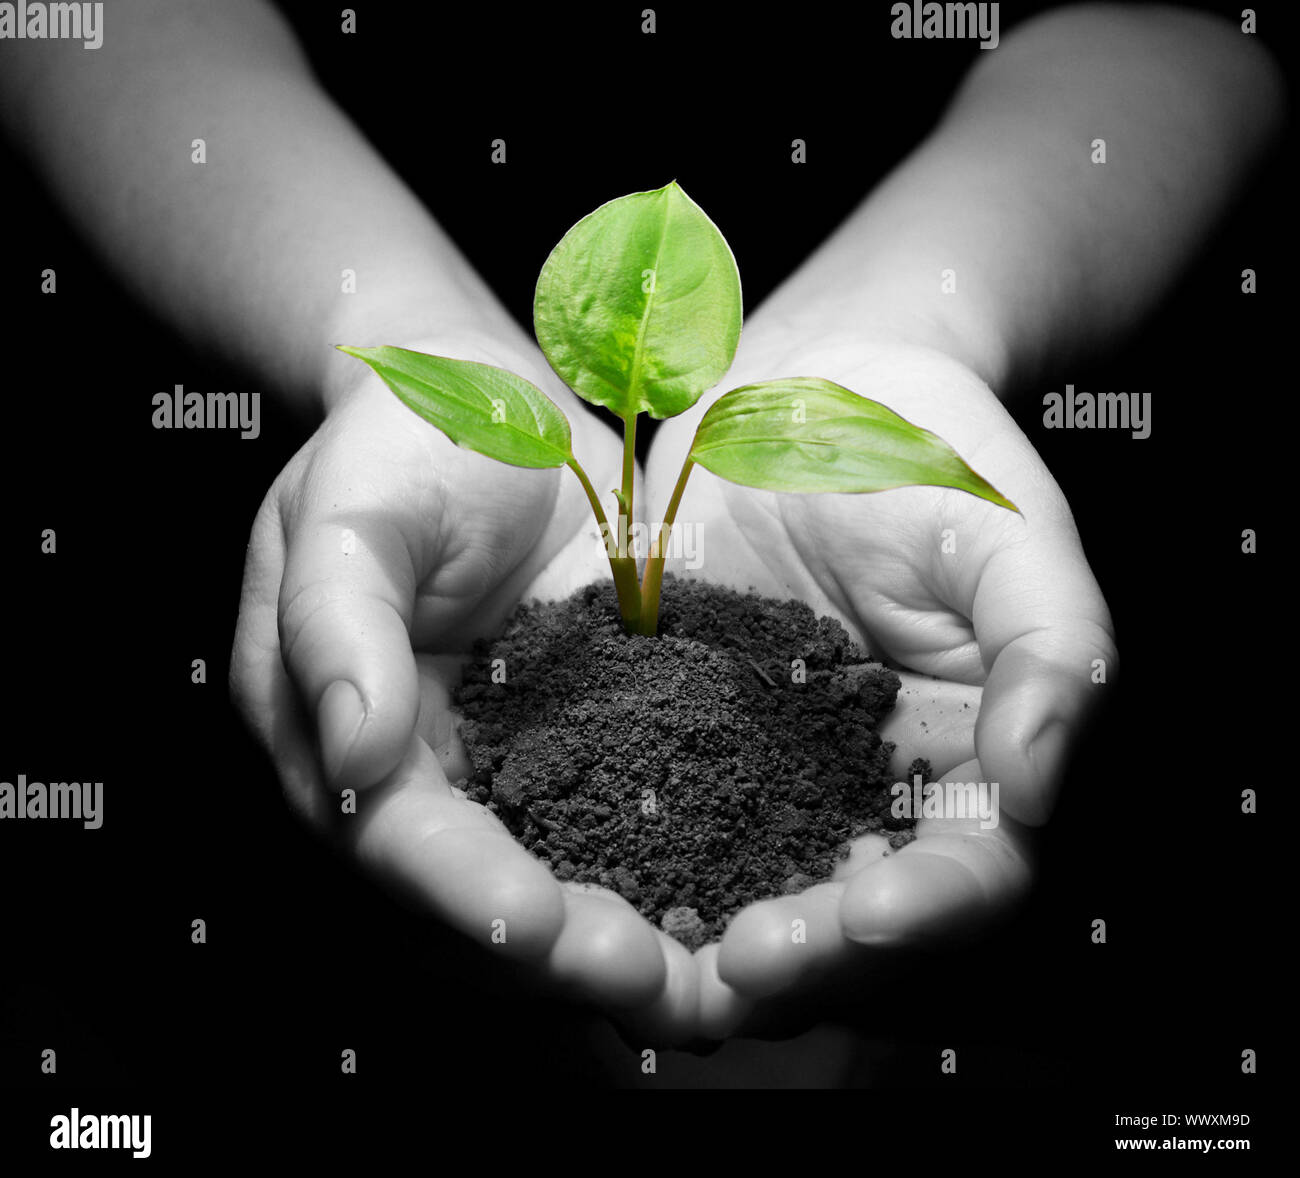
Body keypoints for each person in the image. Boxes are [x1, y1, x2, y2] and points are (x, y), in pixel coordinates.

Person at [0, 1, 1281, 1048]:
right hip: (259, 285)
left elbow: (1187, 28)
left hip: (1012, 257)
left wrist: (912, 326)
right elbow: (82, 15)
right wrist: (394, 347)